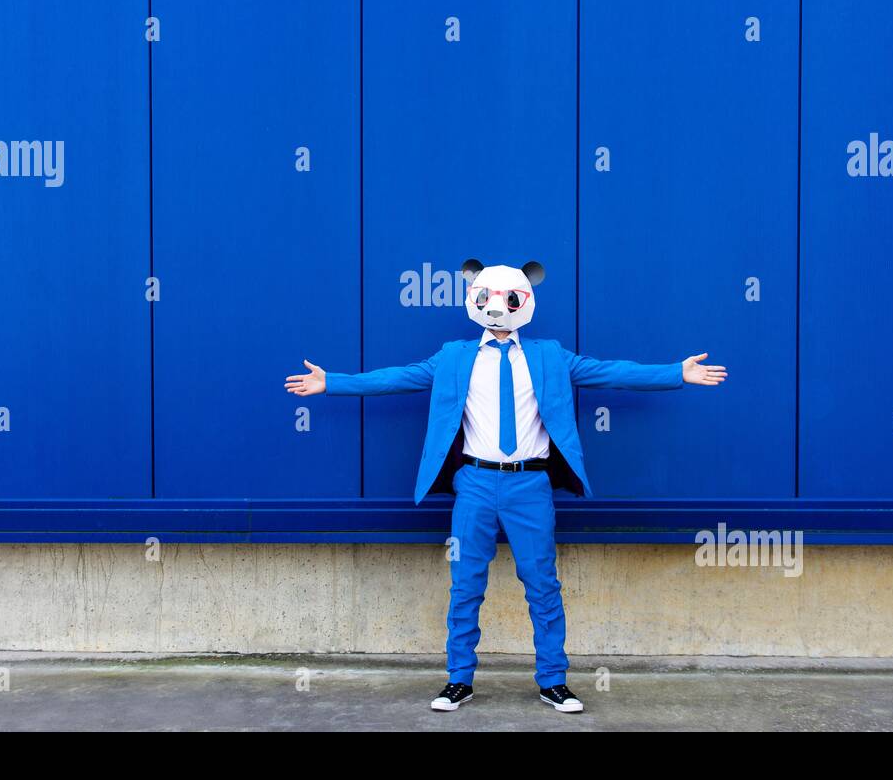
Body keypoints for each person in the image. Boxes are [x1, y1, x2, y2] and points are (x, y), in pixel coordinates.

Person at [285, 259, 726, 713]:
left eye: (509, 298)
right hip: (474, 484)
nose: (499, 307)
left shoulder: (549, 355)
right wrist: (331, 383)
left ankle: (554, 681)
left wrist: (677, 373)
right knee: (466, 585)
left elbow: (610, 371)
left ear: (525, 301)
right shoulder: (454, 356)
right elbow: (395, 377)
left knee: (542, 585)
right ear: (474, 299)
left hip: (529, 486)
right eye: (489, 297)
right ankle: (459, 680)